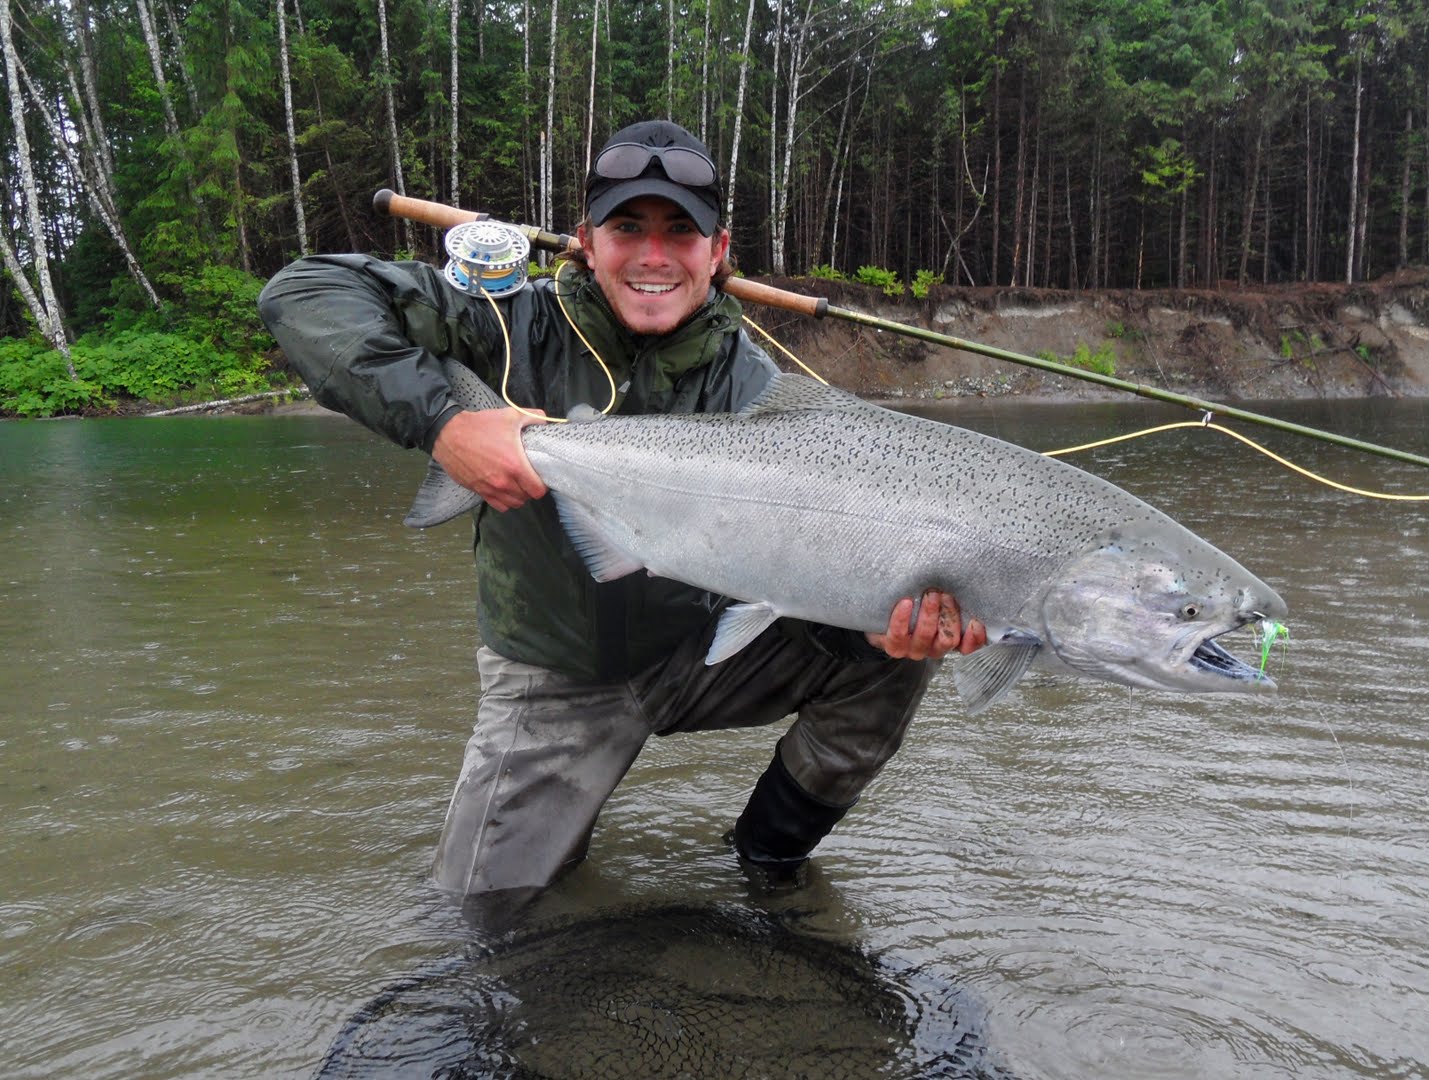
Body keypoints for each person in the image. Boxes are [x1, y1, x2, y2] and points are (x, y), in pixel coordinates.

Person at [257, 120, 985, 914]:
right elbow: (303, 294)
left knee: (893, 653)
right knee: (481, 915)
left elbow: (800, 572)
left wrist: (868, 626)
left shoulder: (758, 393)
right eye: (627, 228)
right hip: (556, 674)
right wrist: (445, 424)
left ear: (718, 252)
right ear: (585, 242)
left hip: (704, 653)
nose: (652, 256)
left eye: (682, 232)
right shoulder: (504, 323)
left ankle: (767, 866)